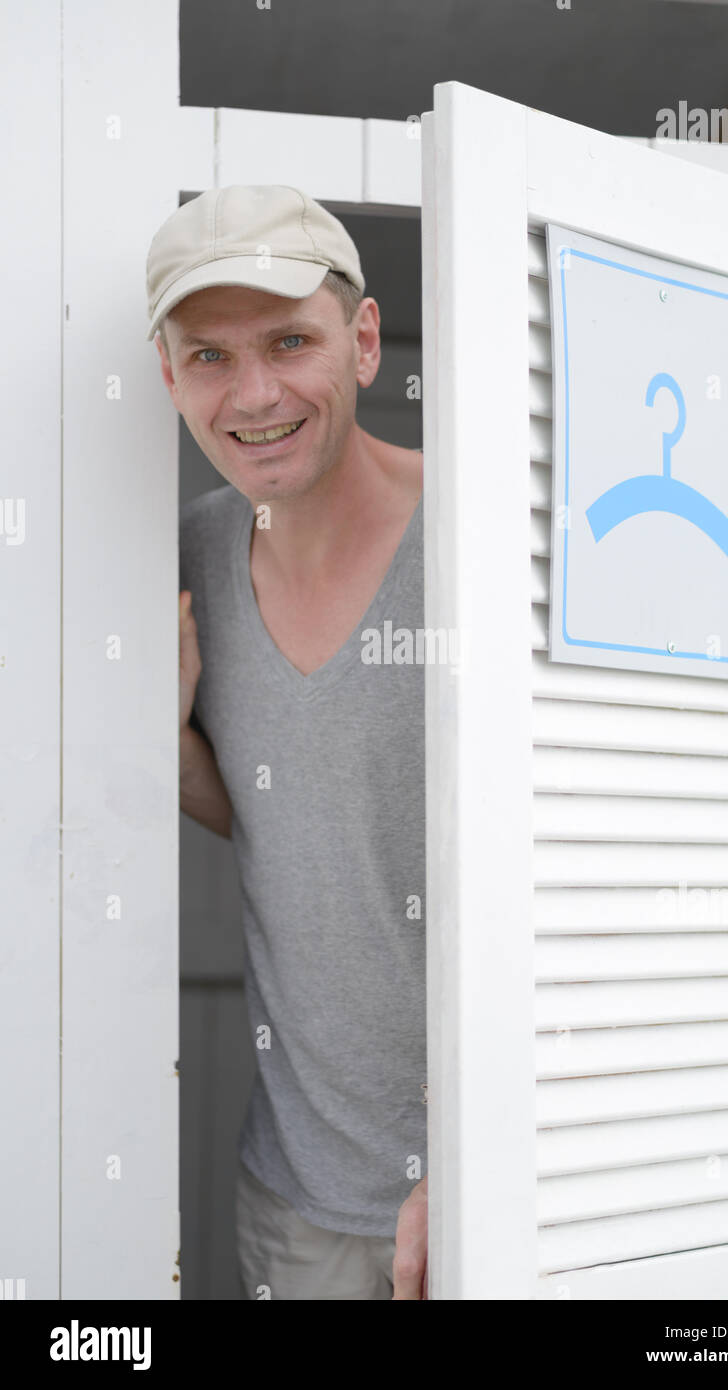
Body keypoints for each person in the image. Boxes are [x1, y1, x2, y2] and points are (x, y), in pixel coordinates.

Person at [146, 184, 428, 1300]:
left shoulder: (495, 535)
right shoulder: (187, 563)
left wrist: (499, 1142)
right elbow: (290, 807)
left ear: (363, 343)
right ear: (168, 374)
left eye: (290, 341)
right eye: (209, 356)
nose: (254, 394)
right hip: (294, 1195)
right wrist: (167, 735)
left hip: (493, 1181)